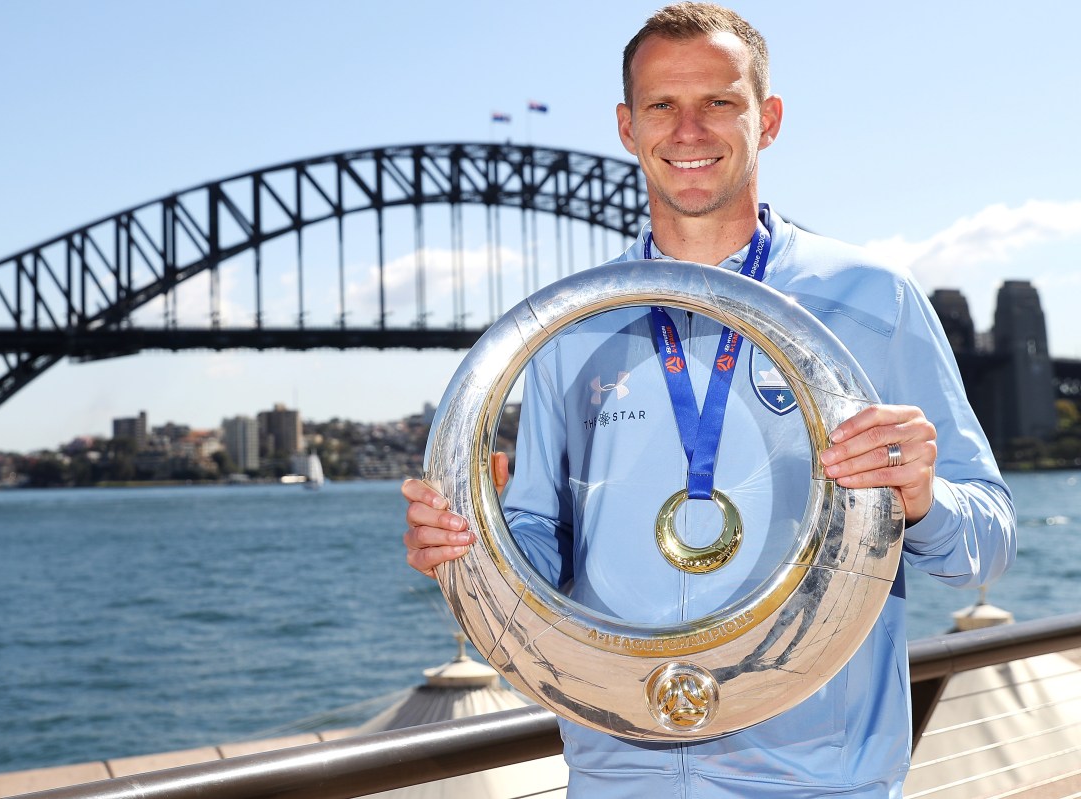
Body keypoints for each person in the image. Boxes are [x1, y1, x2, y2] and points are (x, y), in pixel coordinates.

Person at [402, 3, 1016, 797]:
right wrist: (469, 545)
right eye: (662, 104)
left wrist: (924, 495)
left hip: (818, 777)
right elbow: (538, 539)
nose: (688, 130)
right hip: (620, 770)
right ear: (627, 127)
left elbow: (988, 543)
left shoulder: (875, 299)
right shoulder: (567, 324)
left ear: (769, 118)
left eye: (719, 101)